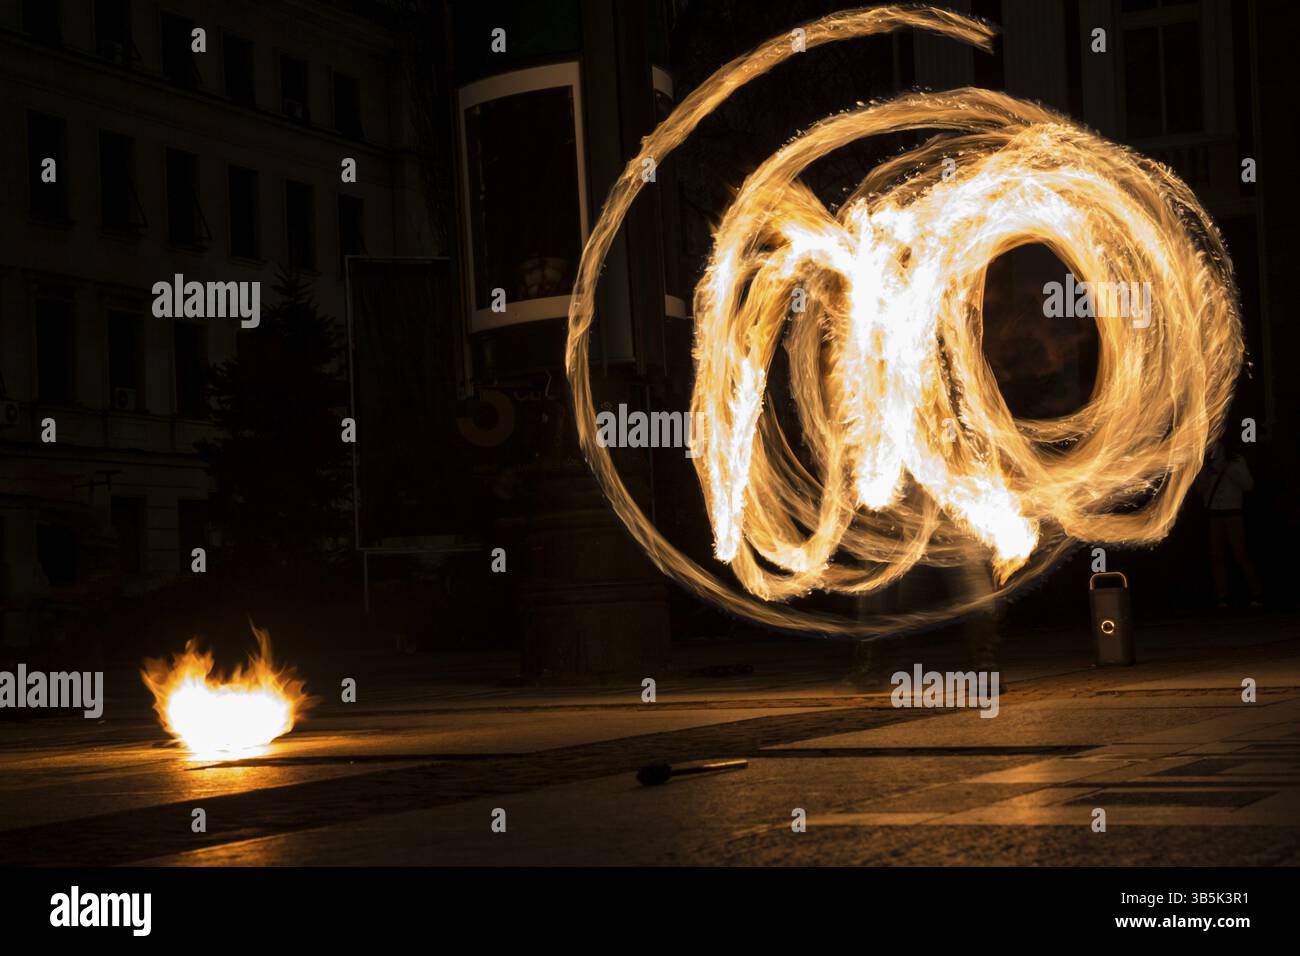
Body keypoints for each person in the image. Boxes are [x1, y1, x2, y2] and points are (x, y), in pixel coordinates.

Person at [1196, 441, 1263, 608]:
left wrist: (1228, 469)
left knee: (1240, 554)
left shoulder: (1236, 461)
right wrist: (1206, 472)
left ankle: (1256, 592)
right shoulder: (1205, 464)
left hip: (1233, 512)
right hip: (1215, 514)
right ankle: (1222, 596)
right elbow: (1200, 490)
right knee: (1217, 556)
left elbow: (1248, 485)